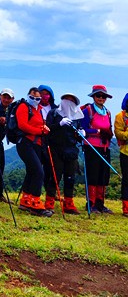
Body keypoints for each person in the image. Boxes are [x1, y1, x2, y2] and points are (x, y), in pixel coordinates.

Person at [16, 87, 53, 217]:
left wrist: (43, 127)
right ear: (28, 96)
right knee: (38, 172)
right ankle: (35, 204)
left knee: (32, 172)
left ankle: (26, 200)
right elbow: (22, 125)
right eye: (32, 97)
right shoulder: (23, 107)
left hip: (35, 144)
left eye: (37, 98)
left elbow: (36, 124)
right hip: (25, 143)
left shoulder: (38, 109)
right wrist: (40, 131)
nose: (34, 100)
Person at [44, 93, 84, 215]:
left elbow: (76, 136)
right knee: (55, 176)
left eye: (71, 101)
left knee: (70, 177)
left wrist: (81, 134)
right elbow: (48, 129)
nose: (68, 102)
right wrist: (59, 124)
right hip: (56, 149)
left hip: (71, 150)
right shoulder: (54, 113)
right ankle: (49, 201)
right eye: (66, 99)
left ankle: (69, 202)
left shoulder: (77, 117)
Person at [81, 85, 114, 214]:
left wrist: (108, 134)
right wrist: (98, 131)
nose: (101, 98)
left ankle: (101, 203)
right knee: (93, 175)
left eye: (103, 96)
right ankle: (92, 203)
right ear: (93, 96)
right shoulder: (88, 111)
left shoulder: (107, 112)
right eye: (98, 96)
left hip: (105, 147)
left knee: (103, 176)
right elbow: (83, 129)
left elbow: (109, 128)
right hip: (91, 147)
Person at [113, 93, 128, 217]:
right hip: (126, 152)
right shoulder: (121, 116)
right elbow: (119, 134)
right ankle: (126, 208)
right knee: (127, 180)